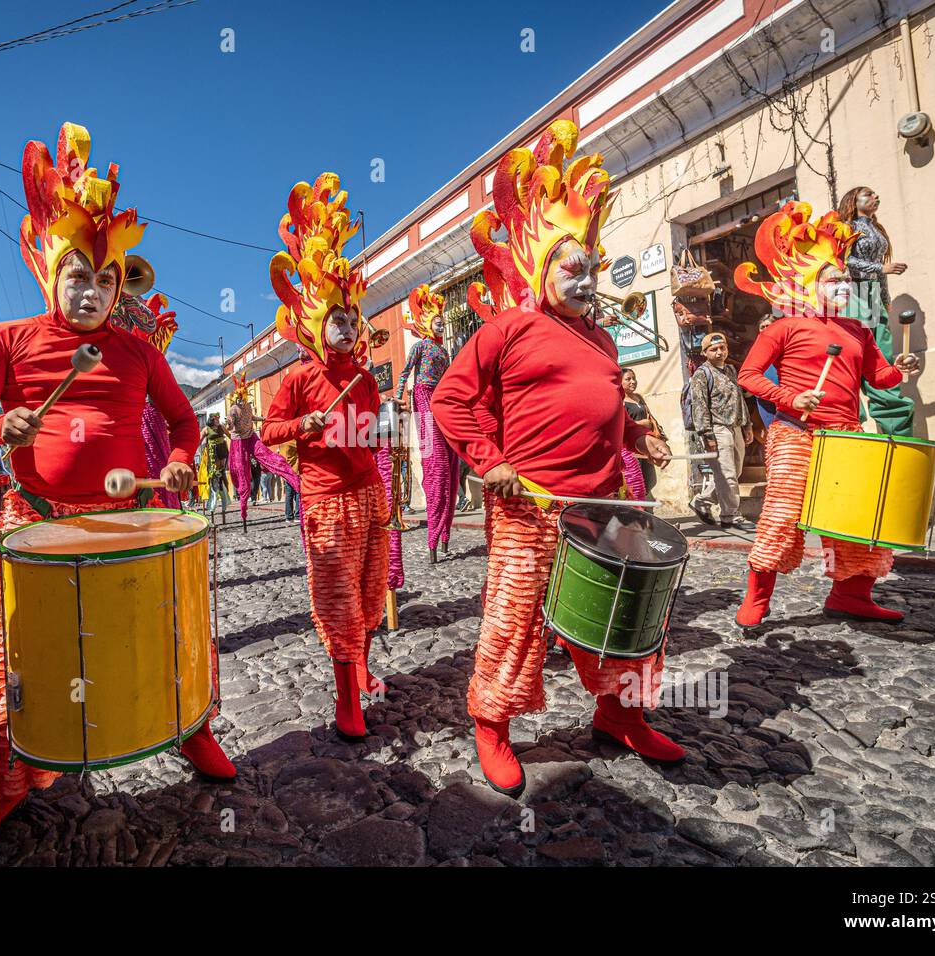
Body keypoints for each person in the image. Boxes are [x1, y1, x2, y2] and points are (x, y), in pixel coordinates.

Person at [0, 123, 234, 845]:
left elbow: (183, 422)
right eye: (80, 275)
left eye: (106, 278)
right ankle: (1, 786)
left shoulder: (136, 349)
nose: (95, 290)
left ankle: (190, 727)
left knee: (173, 639)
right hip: (31, 518)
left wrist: (178, 461)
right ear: (49, 272)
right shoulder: (4, 341)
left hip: (127, 517)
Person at [433, 121, 675, 799]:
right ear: (544, 270)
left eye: (594, 266)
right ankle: (492, 727)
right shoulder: (508, 327)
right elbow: (450, 401)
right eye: (575, 266)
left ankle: (620, 715)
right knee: (514, 624)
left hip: (603, 506)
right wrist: (489, 459)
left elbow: (606, 407)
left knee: (623, 620)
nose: (588, 277)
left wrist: (637, 438)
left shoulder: (601, 337)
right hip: (530, 509)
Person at [733, 200, 921, 628]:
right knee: (781, 518)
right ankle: (757, 601)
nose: (843, 286)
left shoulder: (858, 331)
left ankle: (849, 597)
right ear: (810, 284)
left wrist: (901, 370)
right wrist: (788, 398)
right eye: (834, 280)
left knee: (855, 522)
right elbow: (748, 376)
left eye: (846, 280)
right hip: (795, 433)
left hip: (846, 436)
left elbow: (880, 379)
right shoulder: (784, 327)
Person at [260, 172, 389, 740]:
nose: (348, 325)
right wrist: (301, 425)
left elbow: (369, 430)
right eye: (338, 318)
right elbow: (267, 434)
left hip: (368, 495)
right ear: (317, 322)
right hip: (326, 503)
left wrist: (381, 450)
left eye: (352, 317)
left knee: (369, 588)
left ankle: (361, 664)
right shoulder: (297, 377)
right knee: (337, 599)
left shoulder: (362, 376)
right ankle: (345, 698)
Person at [838, 185, 914, 437]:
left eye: (876, 194)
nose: (875, 197)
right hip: (855, 293)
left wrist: (885, 298)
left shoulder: (875, 229)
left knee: (880, 354)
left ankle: (893, 426)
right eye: (868, 194)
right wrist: (881, 269)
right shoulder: (847, 228)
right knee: (856, 353)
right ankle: (853, 423)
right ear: (853, 200)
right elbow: (845, 262)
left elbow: (880, 269)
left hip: (872, 296)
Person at [396, 284, 457, 563]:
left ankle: (444, 535)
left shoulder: (444, 352)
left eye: (443, 321)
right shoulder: (420, 346)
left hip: (443, 400)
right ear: (426, 322)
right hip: (424, 397)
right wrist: (398, 398)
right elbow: (405, 373)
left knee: (451, 470)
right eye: (437, 320)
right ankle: (434, 537)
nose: (441, 324)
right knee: (437, 469)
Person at [110, 291, 183, 509]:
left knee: (154, 465)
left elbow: (149, 324)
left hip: (146, 406)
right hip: (124, 404)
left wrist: (126, 296)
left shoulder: (132, 307)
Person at [686, 334, 752, 528]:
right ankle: (730, 515)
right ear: (704, 352)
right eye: (714, 349)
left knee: (734, 472)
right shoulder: (702, 374)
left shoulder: (731, 370)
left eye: (722, 347)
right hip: (717, 428)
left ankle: (701, 501)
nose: (719, 352)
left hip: (735, 426)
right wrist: (707, 435)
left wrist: (747, 424)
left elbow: (739, 399)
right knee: (727, 474)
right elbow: (699, 407)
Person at [227, 372, 300, 529]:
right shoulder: (233, 409)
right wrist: (229, 423)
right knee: (242, 476)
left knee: (269, 457)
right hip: (239, 442)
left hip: (252, 437)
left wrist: (264, 419)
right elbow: (230, 421)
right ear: (236, 396)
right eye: (239, 396)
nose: (242, 398)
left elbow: (252, 418)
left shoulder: (247, 406)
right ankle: (243, 508)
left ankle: (293, 478)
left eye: (243, 395)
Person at [620, 367, 665, 498]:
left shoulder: (639, 398)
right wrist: (641, 424)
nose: (633, 381)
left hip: (646, 444)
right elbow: (621, 425)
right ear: (620, 382)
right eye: (628, 379)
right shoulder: (620, 402)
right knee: (635, 480)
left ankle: (643, 505)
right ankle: (641, 509)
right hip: (631, 448)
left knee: (650, 479)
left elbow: (649, 416)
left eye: (634, 378)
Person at [200, 414, 231, 519]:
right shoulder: (206, 429)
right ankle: (213, 497)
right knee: (215, 473)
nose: (218, 420)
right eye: (216, 419)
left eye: (218, 419)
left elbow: (230, 435)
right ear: (211, 420)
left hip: (222, 450)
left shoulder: (221, 427)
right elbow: (199, 440)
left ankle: (224, 496)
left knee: (222, 473)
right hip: (213, 452)